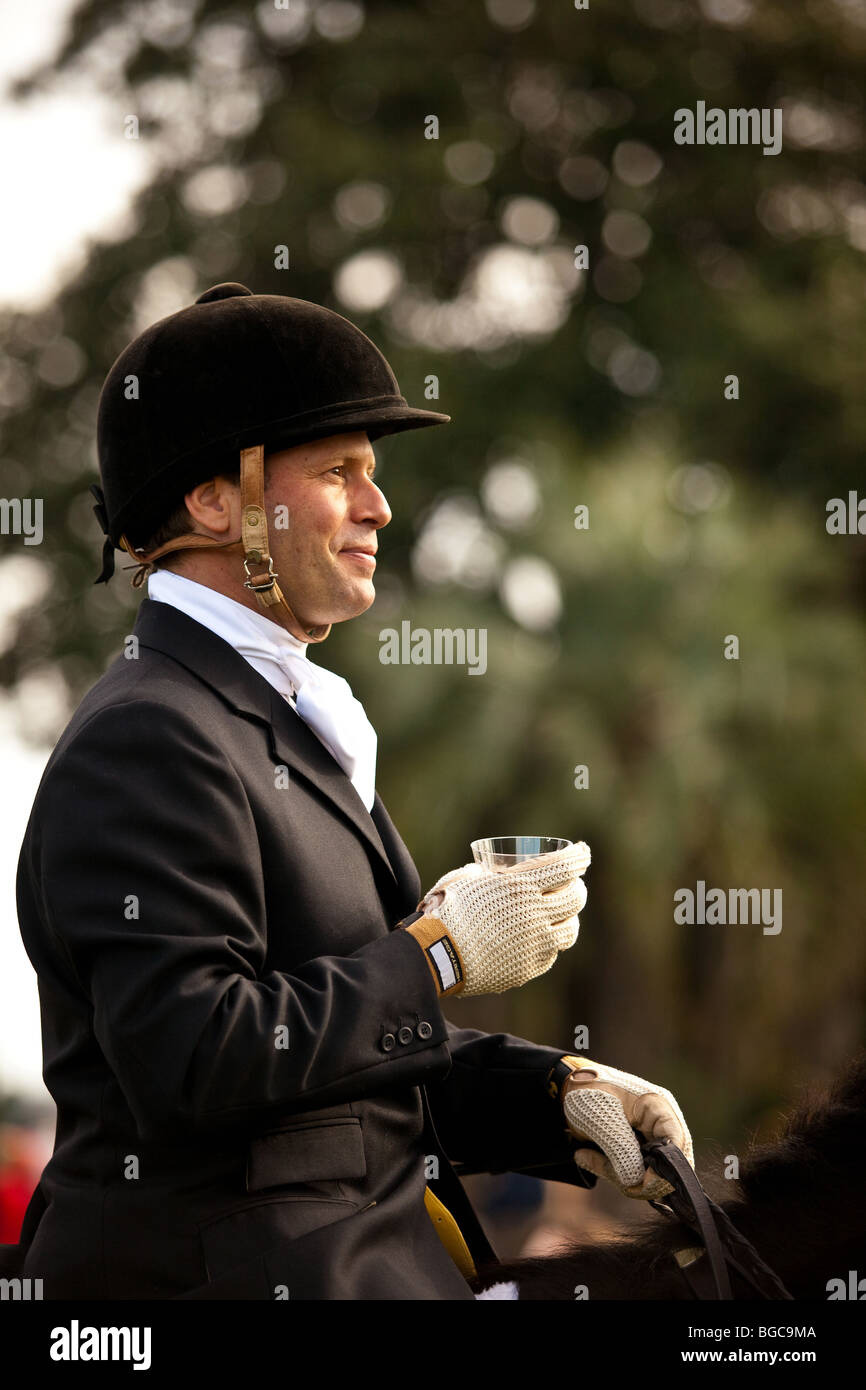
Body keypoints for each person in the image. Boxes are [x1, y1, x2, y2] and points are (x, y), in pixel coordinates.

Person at [7, 284, 692, 1299]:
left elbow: (339, 1078)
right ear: (214, 501)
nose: (377, 505)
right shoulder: (149, 734)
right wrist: (437, 953)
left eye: (371, 476)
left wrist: (546, 1093)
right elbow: (197, 1059)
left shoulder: (285, 722)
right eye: (338, 472)